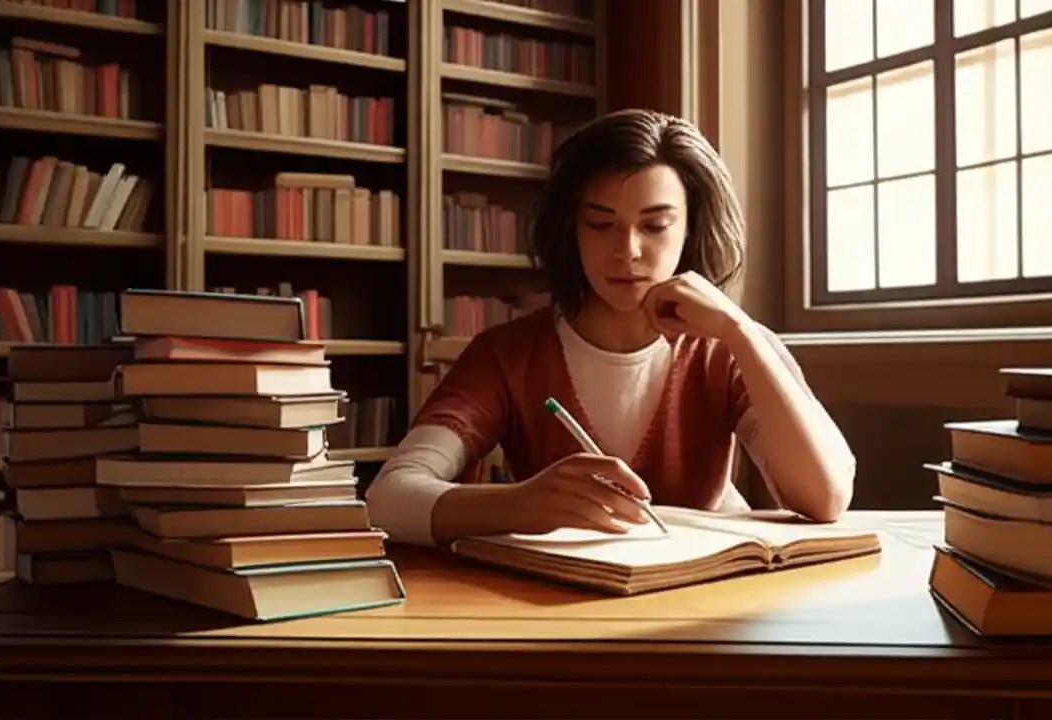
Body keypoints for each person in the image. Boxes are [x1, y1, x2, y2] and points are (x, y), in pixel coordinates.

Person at [365, 108, 856, 546]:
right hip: (560, 611)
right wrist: (520, 505)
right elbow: (388, 497)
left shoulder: (727, 347)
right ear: (570, 228)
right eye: (600, 224)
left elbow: (827, 498)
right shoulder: (508, 354)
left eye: (655, 226)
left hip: (710, 603)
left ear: (691, 229)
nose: (627, 251)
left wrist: (740, 332)